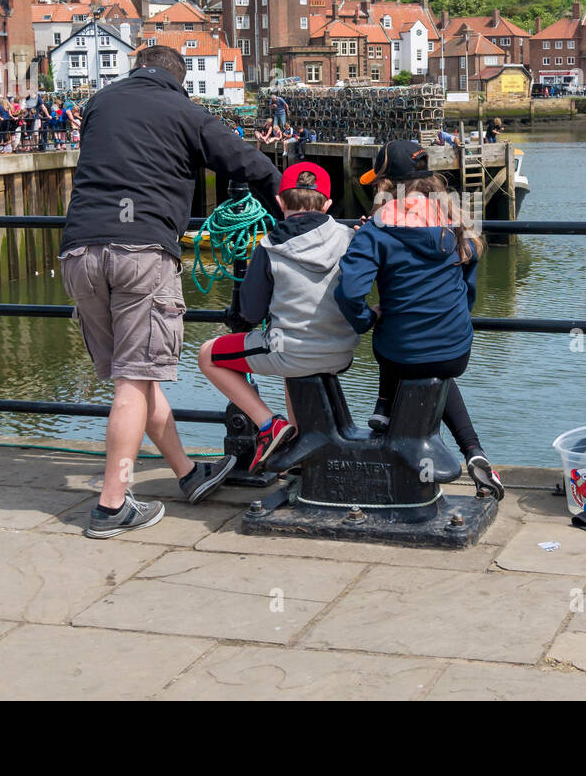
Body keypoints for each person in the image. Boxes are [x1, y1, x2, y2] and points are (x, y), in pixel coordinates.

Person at [59, 43, 281, 539]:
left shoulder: (101, 102)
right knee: (133, 381)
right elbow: (243, 161)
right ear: (178, 79)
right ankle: (112, 506)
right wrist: (289, 203)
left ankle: (186, 473)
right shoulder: (185, 109)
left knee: (137, 379)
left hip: (78, 253)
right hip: (139, 251)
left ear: (136, 69)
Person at [334, 140, 504, 499]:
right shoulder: (454, 218)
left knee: (394, 331)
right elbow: (468, 280)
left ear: (386, 183)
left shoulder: (376, 230)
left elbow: (349, 292)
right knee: (435, 364)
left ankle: (386, 416)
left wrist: (366, 319)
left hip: (402, 354)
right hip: (456, 347)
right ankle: (474, 451)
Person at [198, 162, 359, 473]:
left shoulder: (270, 246)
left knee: (207, 356)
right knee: (291, 356)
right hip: (342, 352)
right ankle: (299, 445)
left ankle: (269, 424)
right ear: (327, 203)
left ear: (281, 202)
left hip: (292, 352)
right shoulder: (350, 238)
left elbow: (250, 313)